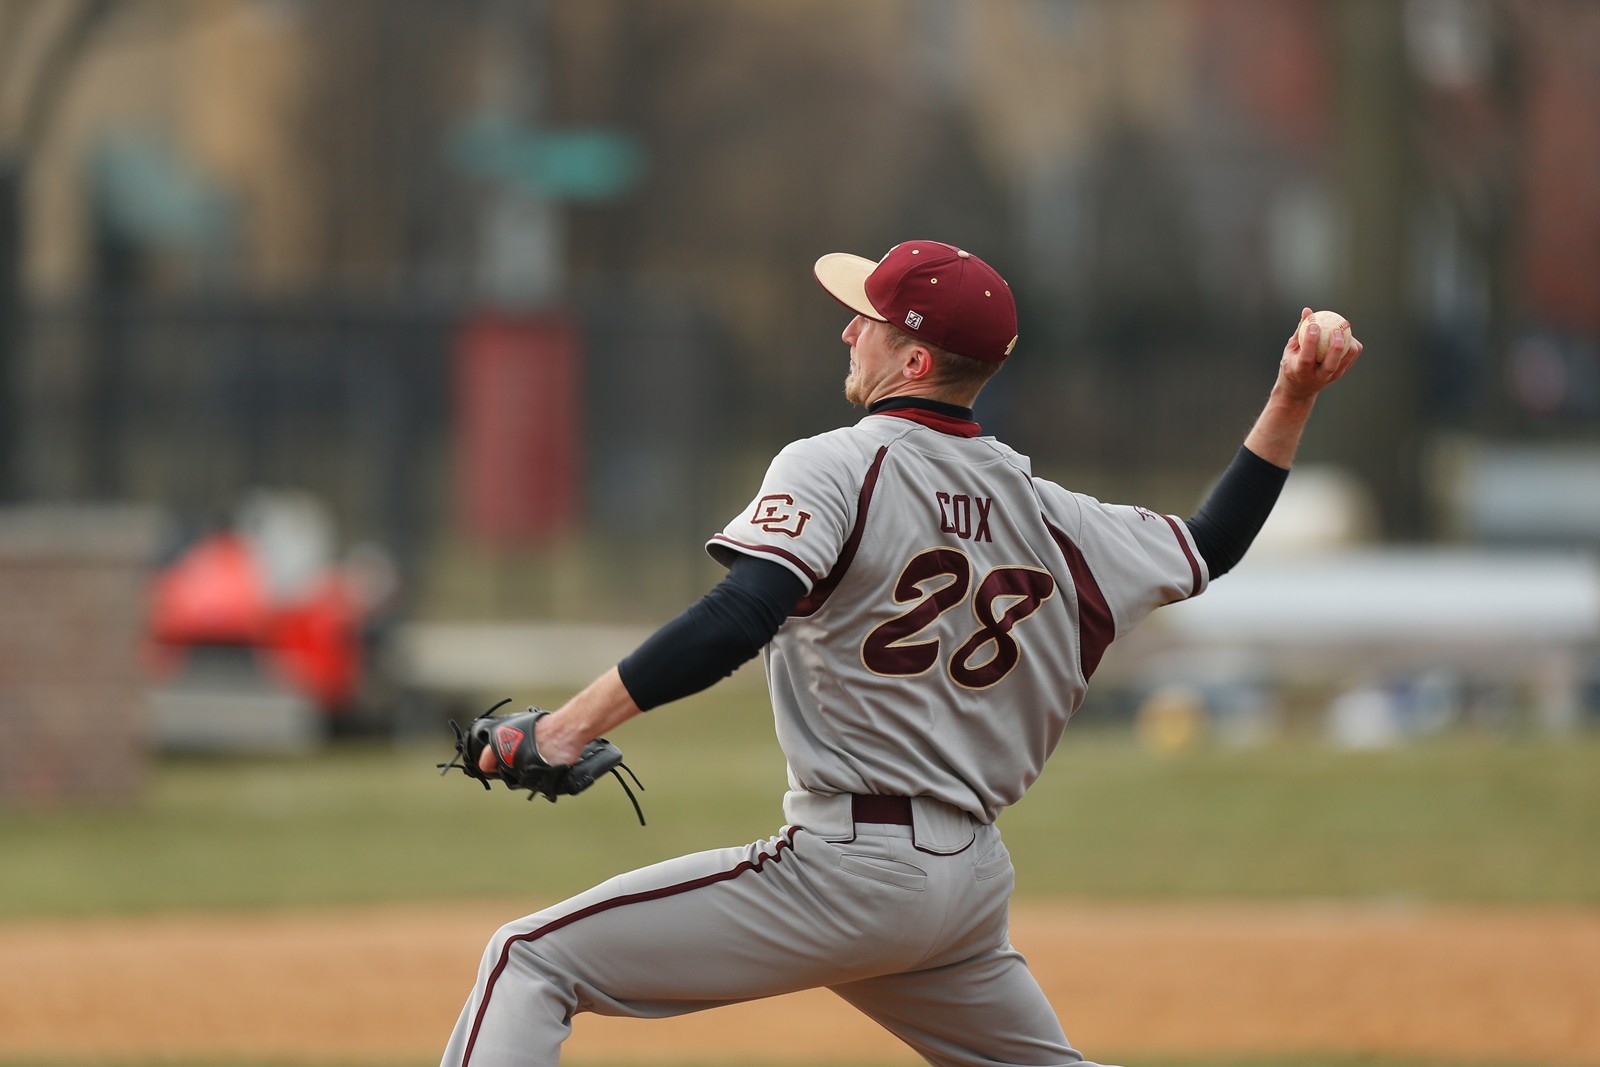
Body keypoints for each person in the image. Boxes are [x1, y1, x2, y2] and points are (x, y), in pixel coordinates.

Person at [440, 239, 1361, 1067]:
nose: (848, 332)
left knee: (529, 960)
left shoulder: (836, 463)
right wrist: (1291, 397)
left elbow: (740, 614)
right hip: (964, 888)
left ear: (913, 359)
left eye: (867, 321)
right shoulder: (1053, 515)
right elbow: (1213, 542)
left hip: (851, 867)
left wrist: (561, 730)